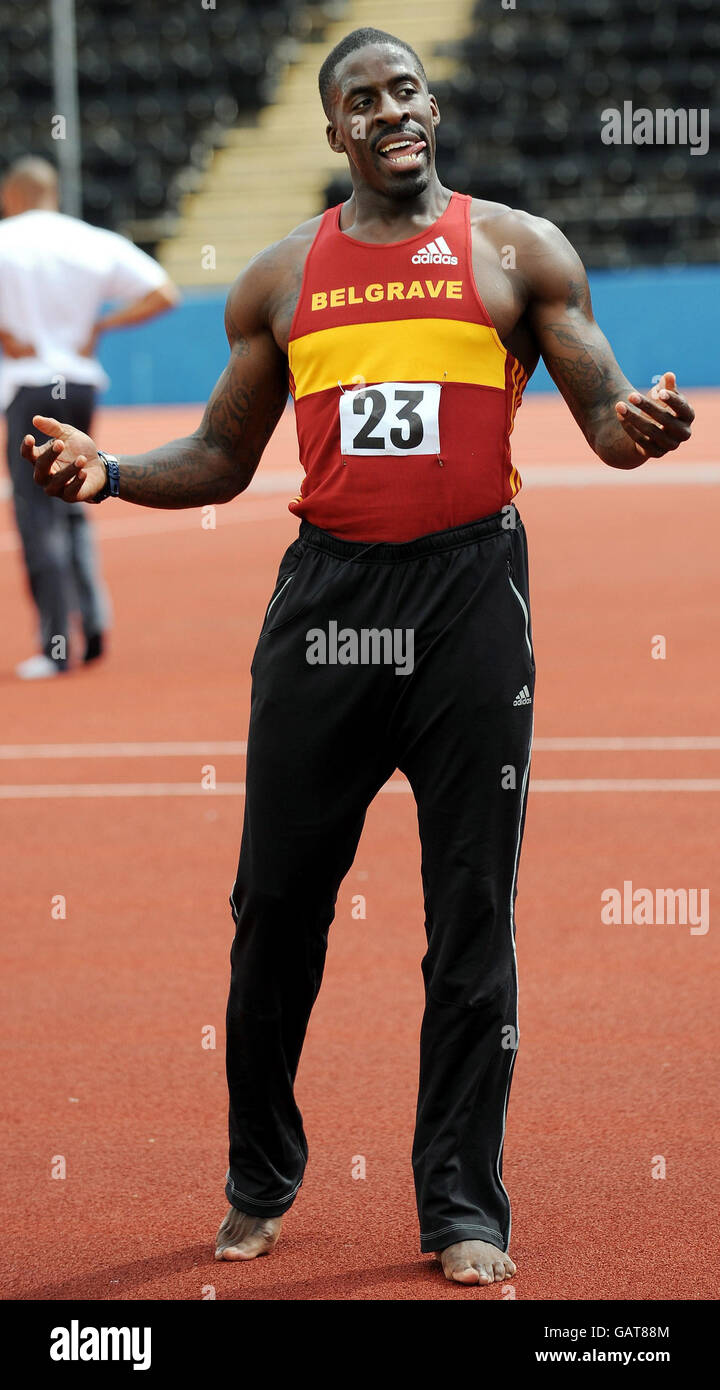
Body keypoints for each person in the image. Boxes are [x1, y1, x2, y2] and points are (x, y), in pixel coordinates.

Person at [22, 30, 694, 1285]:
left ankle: (461, 1205)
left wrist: (639, 425)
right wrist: (112, 472)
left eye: (404, 90)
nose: (390, 111)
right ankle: (260, 1174)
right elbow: (223, 456)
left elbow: (603, 413)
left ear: (431, 105)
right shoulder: (282, 279)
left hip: (470, 599)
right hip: (328, 599)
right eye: (361, 100)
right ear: (332, 132)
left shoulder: (519, 250)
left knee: (469, 916)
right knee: (275, 908)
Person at [0, 157, 178, 678]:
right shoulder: (90, 239)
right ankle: (93, 624)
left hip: (28, 383)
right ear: (52, 193)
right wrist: (101, 326)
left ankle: (56, 644)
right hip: (78, 382)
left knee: (36, 513)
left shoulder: (6, 238)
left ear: (12, 195)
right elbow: (164, 292)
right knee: (74, 496)